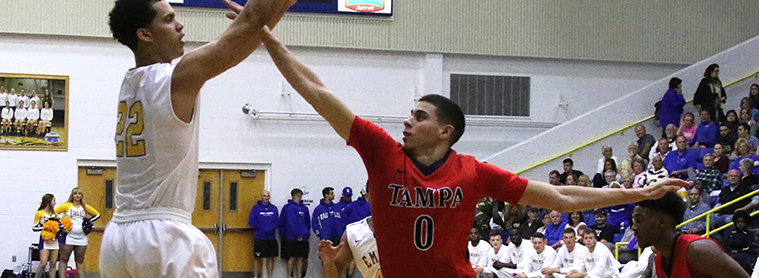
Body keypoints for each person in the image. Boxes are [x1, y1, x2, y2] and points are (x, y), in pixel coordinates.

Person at [229, 27, 690, 277]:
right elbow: (316, 91)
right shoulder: (382, 153)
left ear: (445, 131)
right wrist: (266, 37)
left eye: (419, 116)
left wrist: (637, 195)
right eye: (409, 114)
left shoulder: (473, 171)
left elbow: (563, 198)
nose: (407, 121)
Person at [98, 0, 339, 278]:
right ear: (145, 35)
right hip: (161, 237)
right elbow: (247, 24)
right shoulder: (173, 77)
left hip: (117, 239)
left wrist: (281, 3)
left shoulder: (132, 83)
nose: (179, 25)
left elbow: (242, 38)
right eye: (169, 20)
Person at [631, 191, 748, 277]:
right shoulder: (660, 259)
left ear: (662, 222)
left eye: (639, 220)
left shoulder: (698, 250)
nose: (634, 227)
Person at [56, 188, 100, 278]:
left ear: (82, 196)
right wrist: (61, 222)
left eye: (79, 194)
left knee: (79, 261)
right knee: (64, 259)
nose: (77, 195)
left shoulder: (85, 207)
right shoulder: (66, 205)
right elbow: (54, 212)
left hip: (81, 237)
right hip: (68, 236)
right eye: (75, 193)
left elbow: (97, 214)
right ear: (72, 195)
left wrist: (87, 221)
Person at [280, 188, 311, 278]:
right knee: (292, 258)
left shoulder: (304, 208)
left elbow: (307, 222)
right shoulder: (289, 208)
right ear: (296, 196)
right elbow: (291, 222)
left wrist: (305, 234)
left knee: (300, 258)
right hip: (292, 237)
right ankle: (289, 276)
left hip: (303, 237)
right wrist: (297, 234)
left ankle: (299, 276)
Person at [248, 190, 279, 278]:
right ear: (261, 197)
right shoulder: (256, 208)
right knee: (257, 258)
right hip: (259, 237)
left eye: (268, 196)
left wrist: (270, 228)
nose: (266, 198)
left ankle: (270, 276)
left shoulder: (274, 208)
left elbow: (277, 221)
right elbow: (252, 221)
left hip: (271, 237)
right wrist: (262, 228)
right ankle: (256, 276)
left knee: (271, 258)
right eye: (264, 196)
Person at [33, 194, 60, 278]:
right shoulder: (40, 213)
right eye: (54, 200)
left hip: (55, 240)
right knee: (43, 263)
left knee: (53, 263)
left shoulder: (54, 213)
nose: (55, 203)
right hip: (44, 240)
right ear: (48, 201)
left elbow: (58, 225)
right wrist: (44, 225)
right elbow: (34, 228)